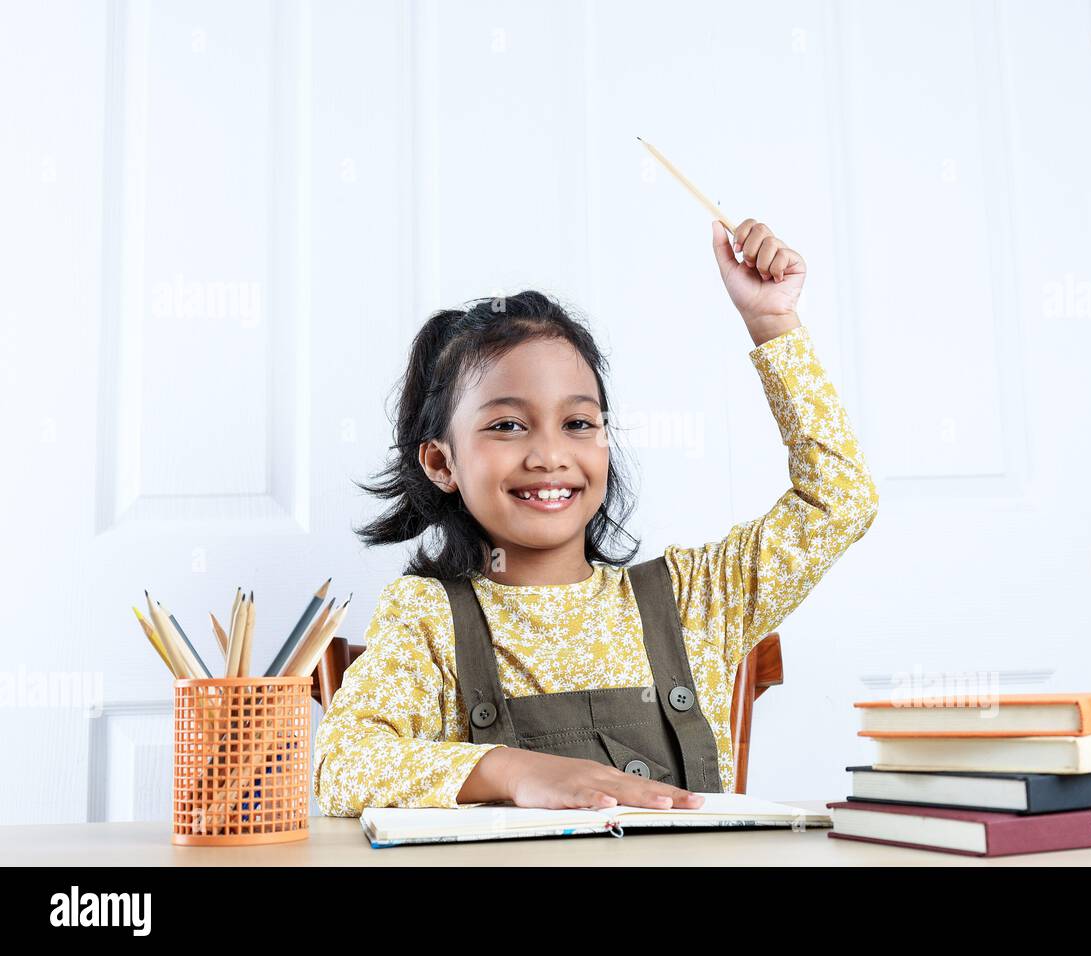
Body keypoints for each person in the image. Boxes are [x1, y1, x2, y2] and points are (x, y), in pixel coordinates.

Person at [313, 218, 879, 815]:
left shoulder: (698, 598)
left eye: (579, 423)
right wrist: (516, 771)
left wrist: (773, 324)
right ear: (440, 462)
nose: (550, 455)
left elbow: (842, 497)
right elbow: (342, 766)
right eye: (507, 425)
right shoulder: (427, 619)